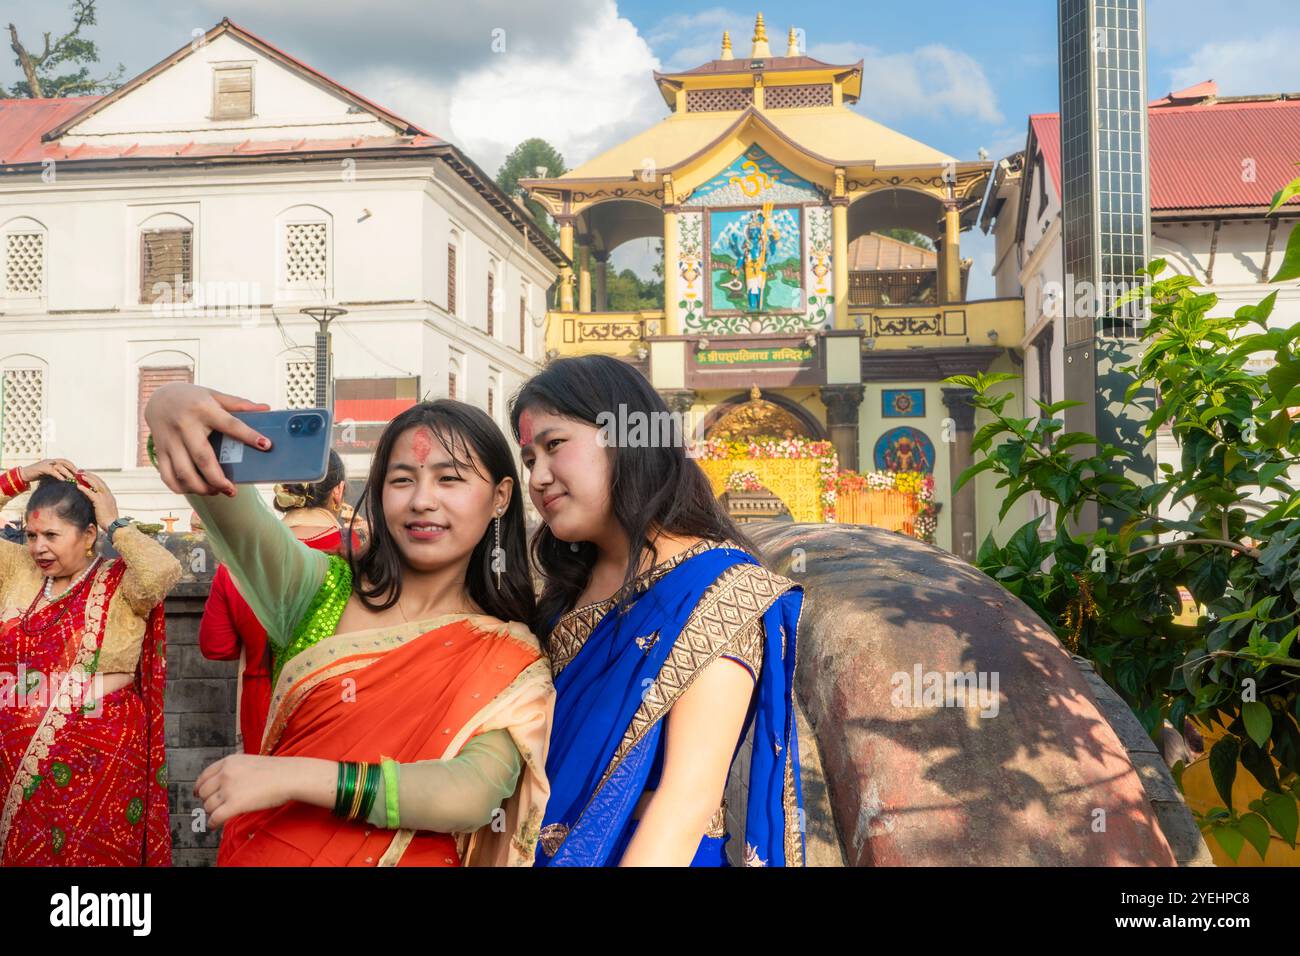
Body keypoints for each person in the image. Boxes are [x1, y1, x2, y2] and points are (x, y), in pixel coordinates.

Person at [144, 384, 553, 866]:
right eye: (402, 480)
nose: (422, 500)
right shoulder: (316, 590)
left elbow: (468, 795)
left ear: (500, 497)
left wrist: (295, 777)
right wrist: (167, 409)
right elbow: (221, 500)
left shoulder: (509, 656)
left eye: (450, 479)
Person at [511, 355, 805, 866]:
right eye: (529, 459)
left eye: (554, 445)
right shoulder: (562, 593)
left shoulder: (716, 589)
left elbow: (685, 802)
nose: (538, 477)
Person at [0, 459, 181, 865]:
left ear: (88, 536)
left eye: (51, 534)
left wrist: (116, 523)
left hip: (101, 760)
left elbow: (163, 571)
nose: (38, 547)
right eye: (31, 535)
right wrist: (22, 476)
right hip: (19, 759)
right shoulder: (16, 570)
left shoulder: (122, 580)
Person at [199, 451, 362, 753]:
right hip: (340, 702)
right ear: (337, 491)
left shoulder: (237, 560)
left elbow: (216, 646)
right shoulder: (359, 553)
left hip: (264, 708)